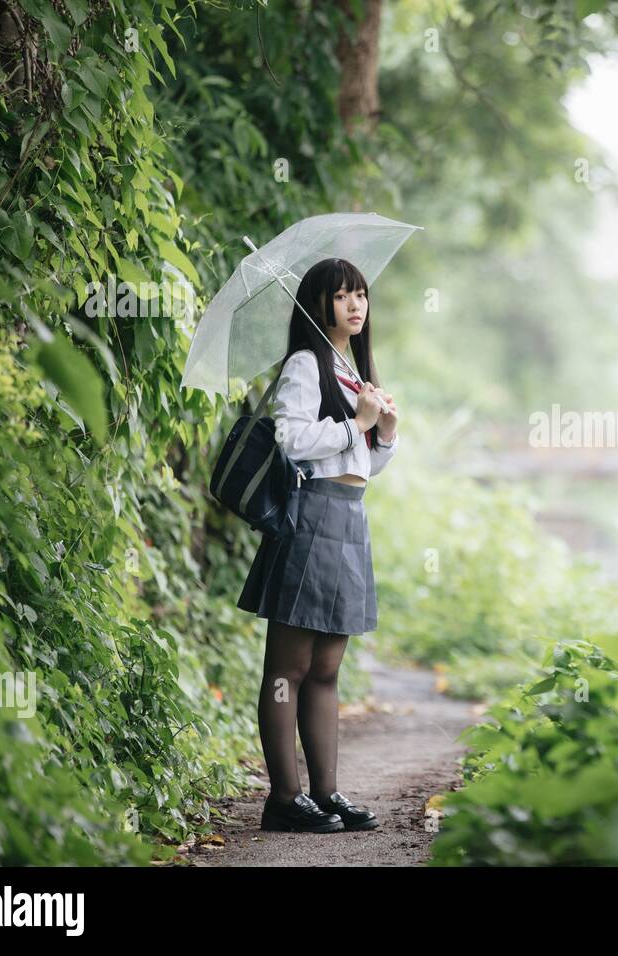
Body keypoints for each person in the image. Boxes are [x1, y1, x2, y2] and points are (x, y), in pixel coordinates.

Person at [236, 257, 399, 833]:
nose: (355, 305)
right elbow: (293, 439)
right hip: (311, 515)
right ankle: (284, 797)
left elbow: (365, 466)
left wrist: (384, 432)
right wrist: (356, 421)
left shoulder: (350, 370)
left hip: (349, 519)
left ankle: (326, 794)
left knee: (327, 666)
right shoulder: (307, 364)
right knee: (290, 667)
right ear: (318, 305)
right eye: (341, 297)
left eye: (360, 295)